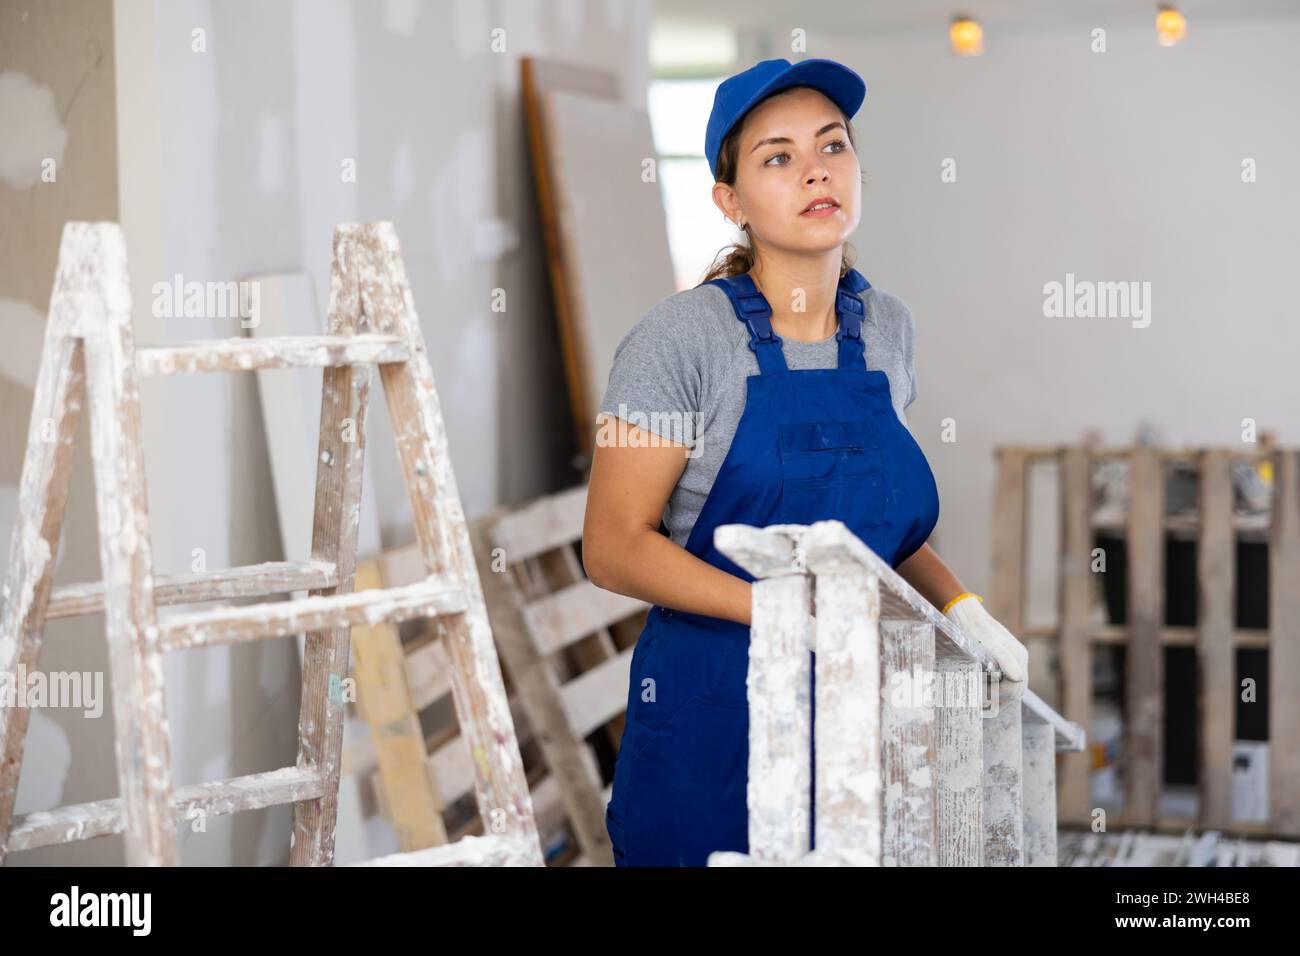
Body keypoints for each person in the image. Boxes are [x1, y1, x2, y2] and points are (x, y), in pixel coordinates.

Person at [582, 57, 1028, 867]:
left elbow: (877, 529)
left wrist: (962, 609)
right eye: (777, 157)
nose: (815, 169)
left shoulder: (886, 328)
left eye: (833, 145)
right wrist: (786, 616)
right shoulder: (679, 341)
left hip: (865, 723)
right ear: (731, 201)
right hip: (715, 723)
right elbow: (612, 547)